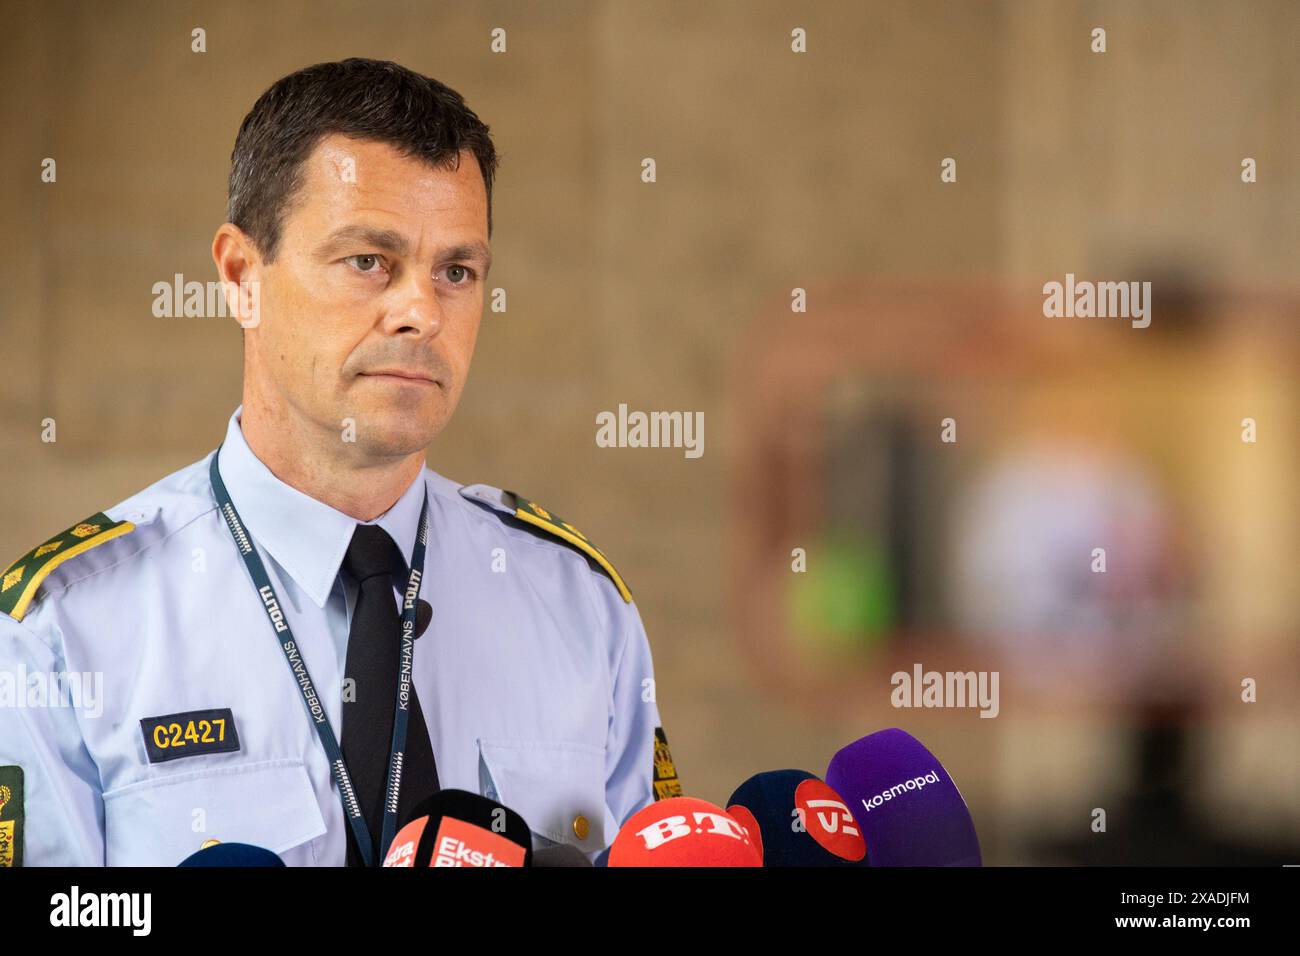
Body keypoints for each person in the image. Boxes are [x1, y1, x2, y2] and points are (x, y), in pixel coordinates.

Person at [0, 58, 679, 867]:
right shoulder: (66, 633)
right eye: (370, 262)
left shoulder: (580, 606)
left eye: (456, 272)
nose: (422, 312)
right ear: (241, 275)